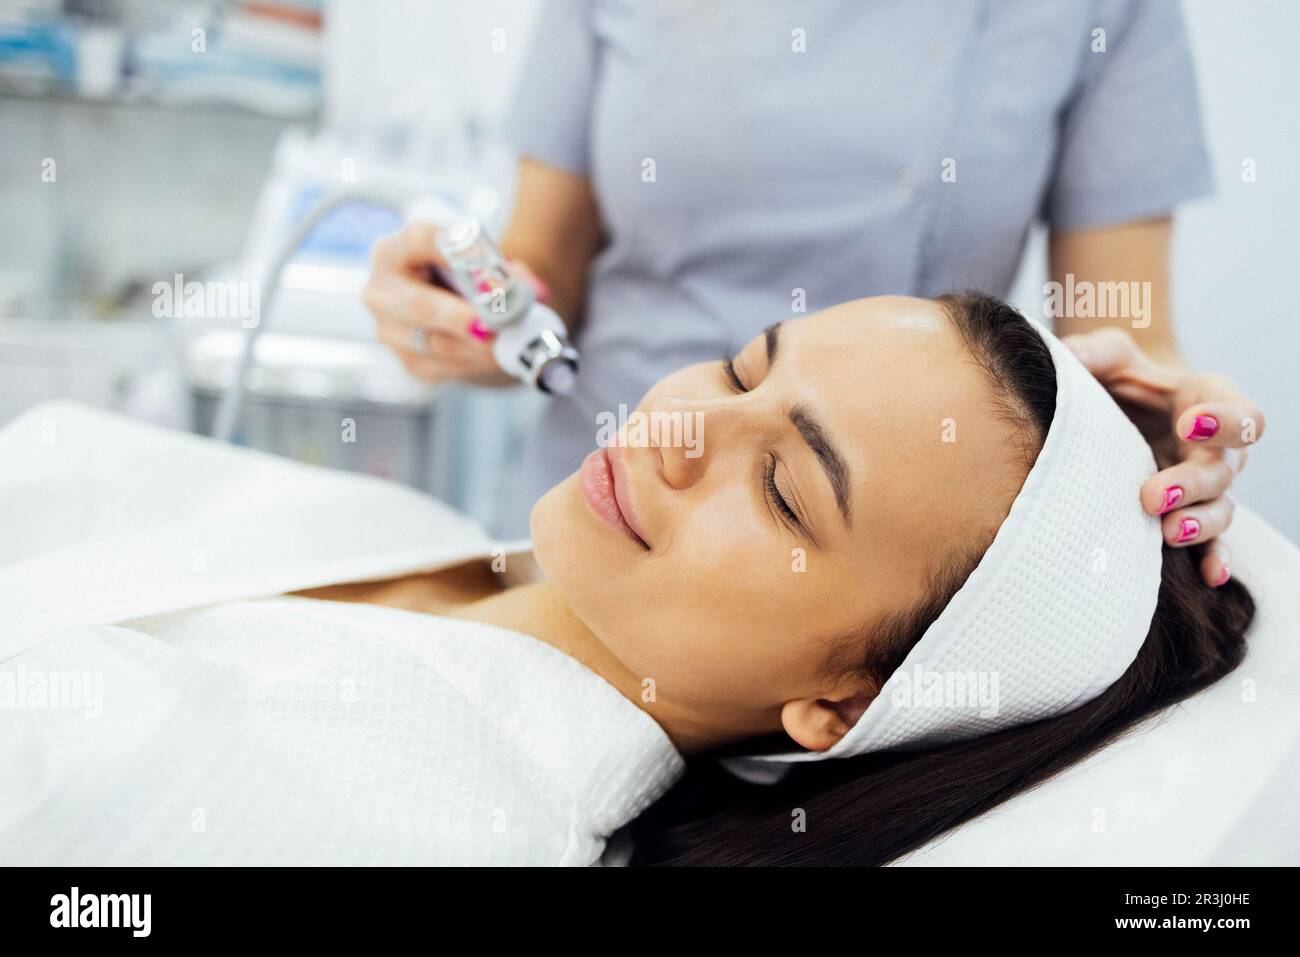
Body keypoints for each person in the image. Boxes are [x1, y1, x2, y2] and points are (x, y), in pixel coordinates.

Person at [0, 292, 1255, 865]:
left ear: (844, 704)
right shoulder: (412, 533)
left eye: (781, 491)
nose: (678, 427)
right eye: (739, 365)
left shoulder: (426, 828)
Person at [363, 0, 1265, 587]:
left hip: (831, 600)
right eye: (738, 373)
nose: (683, 432)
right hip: (581, 512)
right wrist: (460, 319)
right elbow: (536, 275)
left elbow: (1120, 353)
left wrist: (1169, 432)